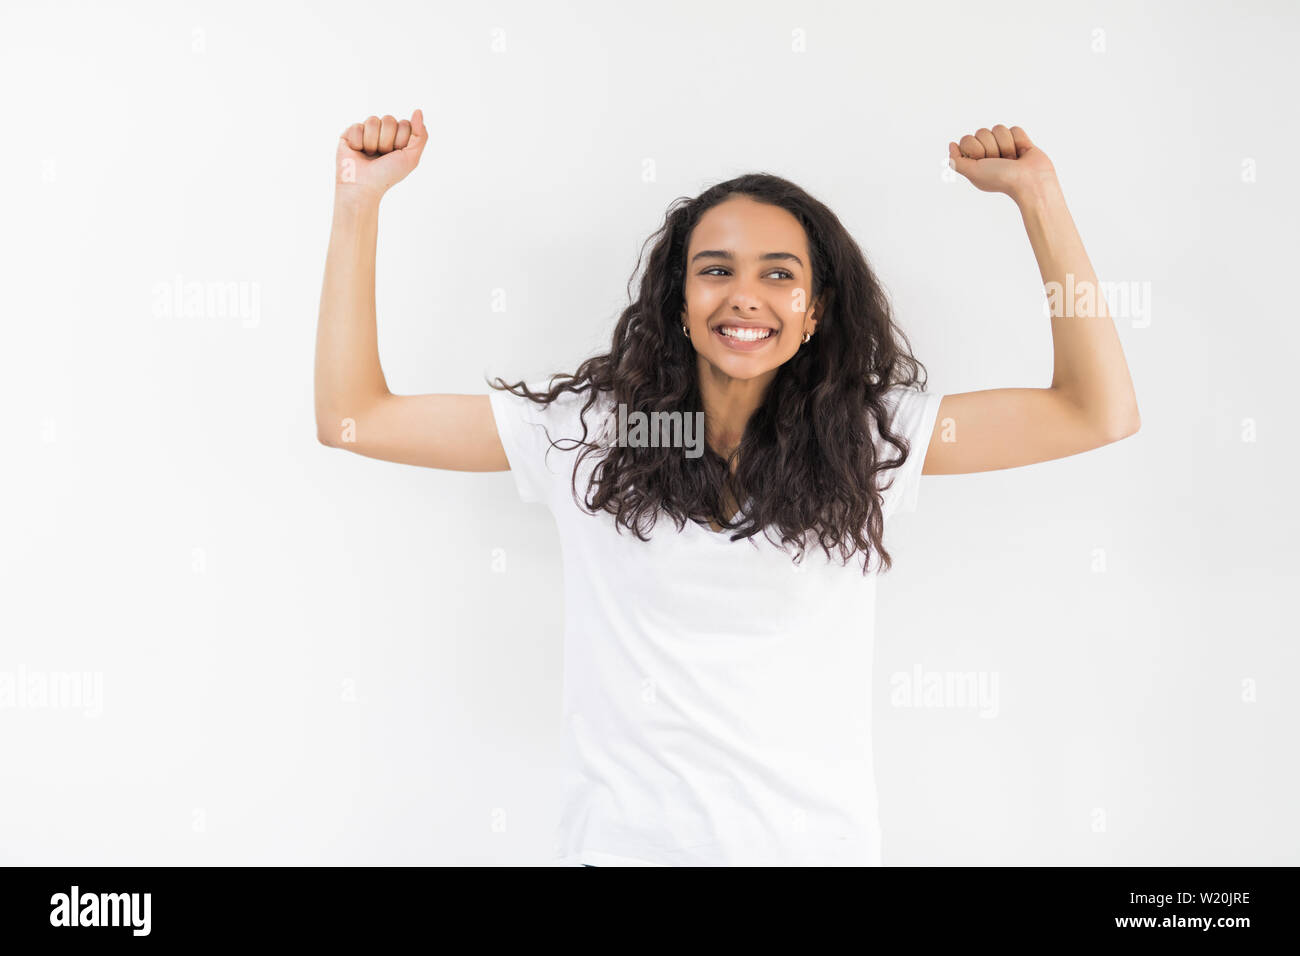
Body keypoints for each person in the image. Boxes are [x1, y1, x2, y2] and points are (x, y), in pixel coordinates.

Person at [315, 111, 1140, 866]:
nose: (746, 296)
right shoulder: (606, 433)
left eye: (780, 275)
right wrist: (358, 204)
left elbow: (1094, 412)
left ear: (814, 310)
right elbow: (354, 417)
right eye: (717, 270)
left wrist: (1038, 195)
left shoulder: (861, 440)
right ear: (679, 301)